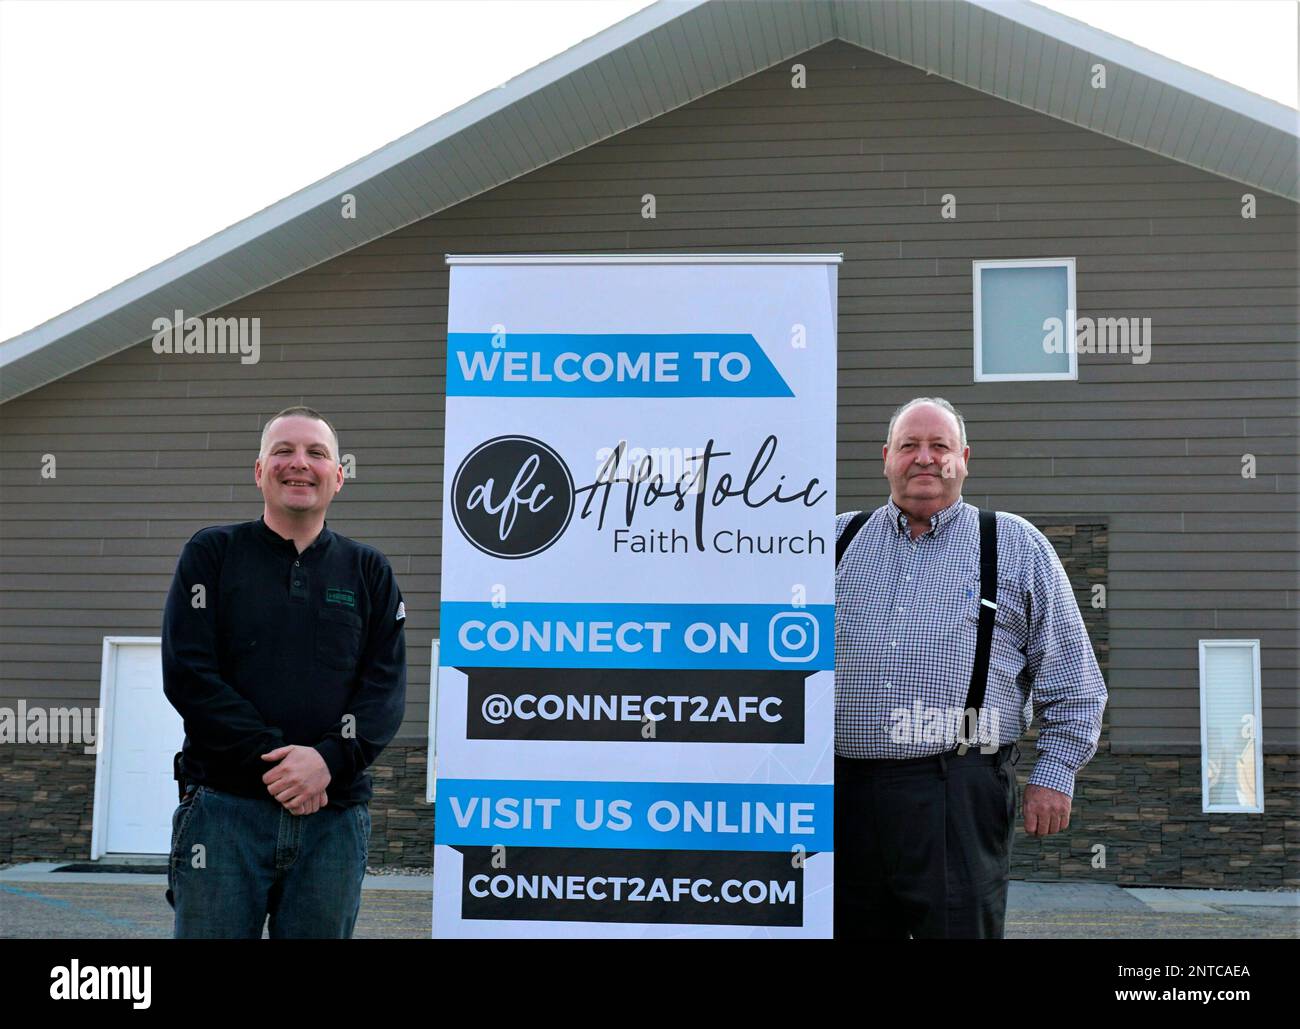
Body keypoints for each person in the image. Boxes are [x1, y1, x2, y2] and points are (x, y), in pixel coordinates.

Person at [833, 396, 1106, 939]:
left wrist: (1055, 775)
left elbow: (1074, 681)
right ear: (886, 458)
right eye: (909, 446)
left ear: (964, 458)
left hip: (956, 790)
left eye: (940, 446)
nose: (925, 458)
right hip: (840, 794)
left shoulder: (1015, 543)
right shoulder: (833, 540)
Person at [161, 406, 406, 938]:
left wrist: (326, 762)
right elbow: (189, 675)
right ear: (259, 471)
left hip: (333, 821)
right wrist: (282, 765)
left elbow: (384, 692)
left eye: (316, 453)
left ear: (338, 476)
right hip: (223, 815)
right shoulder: (212, 554)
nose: (299, 463)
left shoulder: (369, 571)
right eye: (283, 451)